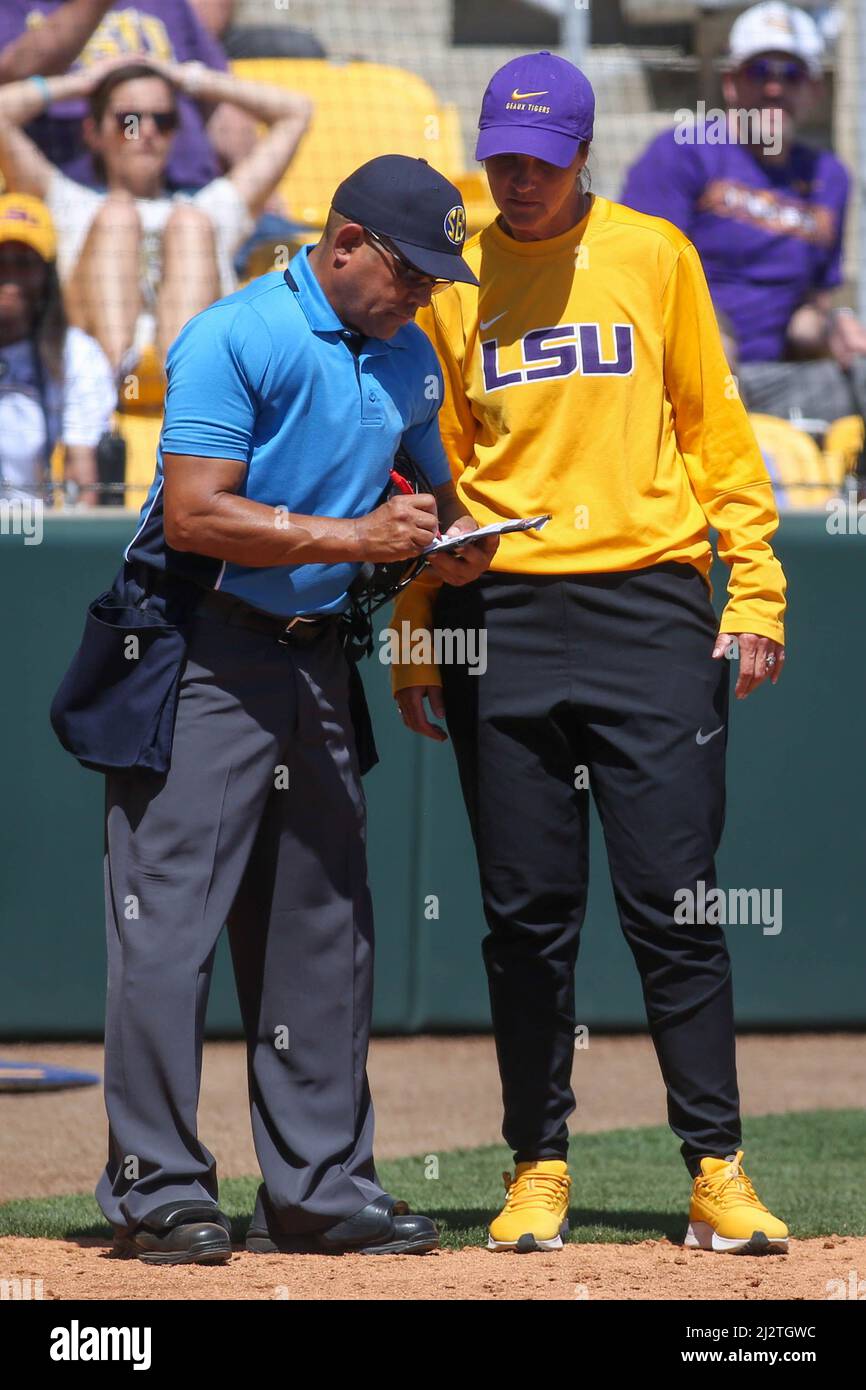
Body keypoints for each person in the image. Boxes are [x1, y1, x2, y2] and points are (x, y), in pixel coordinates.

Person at [392, 51, 791, 1256]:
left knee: (676, 905)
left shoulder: (654, 254)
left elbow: (712, 425)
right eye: (498, 157)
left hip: (649, 609)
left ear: (583, 155)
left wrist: (754, 586)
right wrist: (419, 634)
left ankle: (715, 1170)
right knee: (525, 919)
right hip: (501, 618)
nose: (515, 180)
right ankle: (536, 1168)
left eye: (538, 159)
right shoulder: (452, 278)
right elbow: (436, 469)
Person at [79, 154, 495, 1263]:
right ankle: (156, 1188)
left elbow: (425, 486)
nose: (421, 297)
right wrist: (360, 540)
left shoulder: (407, 359)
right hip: (201, 647)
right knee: (166, 931)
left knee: (325, 930)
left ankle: (317, 1190)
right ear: (345, 240)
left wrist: (451, 543)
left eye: (434, 281)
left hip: (315, 659)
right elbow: (196, 516)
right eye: (410, 272)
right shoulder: (235, 334)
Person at [621, 1, 866, 425]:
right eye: (759, 73)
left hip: (777, 381)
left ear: (814, 89)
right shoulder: (682, 152)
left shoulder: (831, 177)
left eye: (791, 74)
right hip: (679, 371)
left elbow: (810, 310)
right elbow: (641, 277)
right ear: (731, 84)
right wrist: (710, 334)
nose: (775, 88)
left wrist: (835, 328)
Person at [0, 56, 312, 374]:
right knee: (118, 216)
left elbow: (297, 111)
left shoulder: (209, 207)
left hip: (185, 376)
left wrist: (187, 78)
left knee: (190, 223)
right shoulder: (67, 201)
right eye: (129, 120)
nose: (146, 131)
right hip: (95, 370)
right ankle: (114, 382)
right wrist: (84, 82)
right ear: (93, 132)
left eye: (162, 121)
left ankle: (185, 388)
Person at [0, 0, 257, 193]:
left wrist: (257, 190)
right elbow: (13, 73)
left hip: (194, 195)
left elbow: (221, 107)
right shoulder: (14, 7)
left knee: (279, 243)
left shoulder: (169, 4)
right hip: (80, 199)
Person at [0, 190, 114, 505]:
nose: (9, 276)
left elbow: (82, 478)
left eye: (24, 263)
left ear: (47, 273)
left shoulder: (76, 355)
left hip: (36, 534)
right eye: (0, 261)